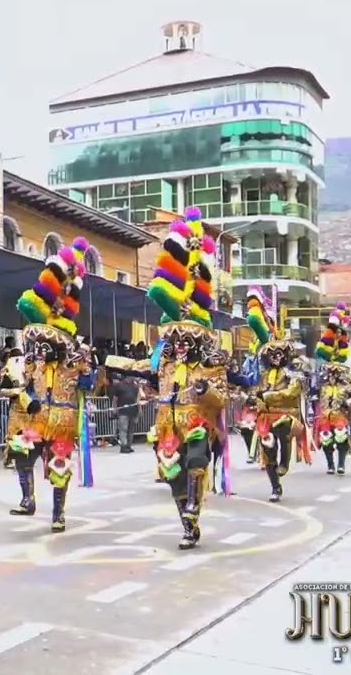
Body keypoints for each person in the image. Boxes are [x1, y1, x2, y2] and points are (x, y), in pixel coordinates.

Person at [110, 208, 239, 548]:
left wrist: (203, 388)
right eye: (175, 341)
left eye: (186, 341)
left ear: (196, 341)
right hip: (168, 424)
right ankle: (187, 521)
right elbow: (143, 367)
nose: (180, 346)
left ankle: (195, 507)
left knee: (196, 460)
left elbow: (222, 397)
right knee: (171, 473)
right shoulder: (165, 363)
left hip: (198, 423)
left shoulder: (210, 364)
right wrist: (114, 361)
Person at [5, 236, 97, 532]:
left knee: (59, 468)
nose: (42, 349)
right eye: (39, 345)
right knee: (21, 455)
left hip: (62, 421)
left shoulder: (74, 362)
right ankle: (27, 499)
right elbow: (13, 385)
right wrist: (23, 398)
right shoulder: (29, 362)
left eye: (48, 345)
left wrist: (90, 369)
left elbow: (91, 384)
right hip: (35, 419)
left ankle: (58, 513)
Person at [245, 287, 309, 503]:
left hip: (286, 415)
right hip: (265, 418)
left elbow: (291, 392)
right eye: (271, 355)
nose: (274, 358)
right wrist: (253, 397)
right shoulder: (263, 375)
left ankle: (286, 462)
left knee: (282, 433)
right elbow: (256, 392)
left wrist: (270, 396)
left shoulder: (293, 373)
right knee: (268, 449)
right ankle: (275, 486)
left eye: (278, 354)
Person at [313, 305, 351, 476]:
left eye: (335, 374)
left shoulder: (346, 385)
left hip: (340, 415)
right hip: (325, 415)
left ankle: (341, 463)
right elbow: (313, 394)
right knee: (326, 439)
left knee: (341, 437)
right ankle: (330, 464)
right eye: (330, 374)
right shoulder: (322, 385)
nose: (332, 376)